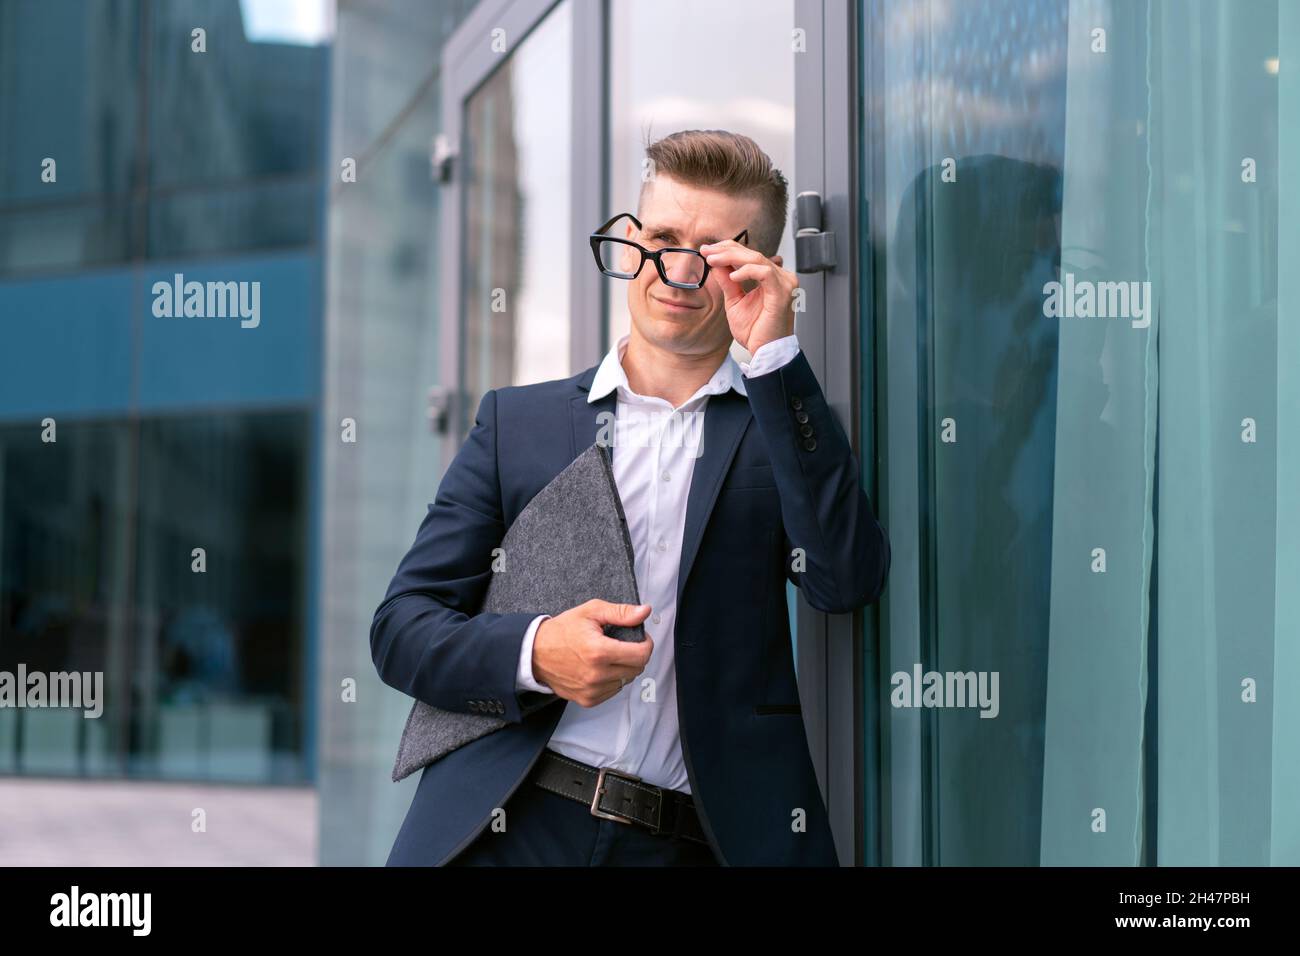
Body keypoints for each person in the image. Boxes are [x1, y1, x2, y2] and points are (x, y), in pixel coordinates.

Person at [372, 129, 890, 866]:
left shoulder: (785, 430)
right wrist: (535, 653)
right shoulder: (516, 424)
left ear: (758, 271)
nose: (676, 272)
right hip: (510, 826)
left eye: (710, 255)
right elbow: (400, 628)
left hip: (687, 845)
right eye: (662, 238)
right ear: (633, 240)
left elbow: (846, 580)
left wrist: (775, 354)